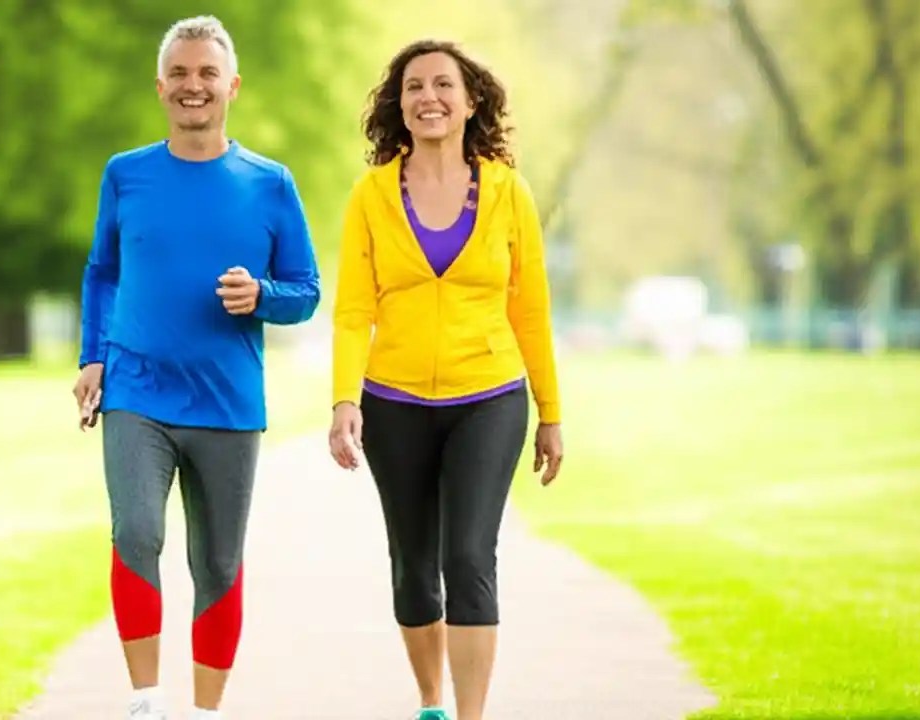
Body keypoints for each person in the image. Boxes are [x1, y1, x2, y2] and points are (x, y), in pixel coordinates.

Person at [72, 15, 321, 720]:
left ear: (231, 86)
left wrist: (262, 296)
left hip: (227, 402)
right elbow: (102, 272)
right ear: (160, 87)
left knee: (216, 564)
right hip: (136, 391)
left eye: (207, 73)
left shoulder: (270, 184)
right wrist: (93, 356)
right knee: (136, 534)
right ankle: (146, 702)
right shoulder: (126, 174)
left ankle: (206, 712)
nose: (193, 86)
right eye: (180, 74)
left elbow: (305, 291)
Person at [327, 39, 565, 720]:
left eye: (442, 85)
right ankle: (431, 701)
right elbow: (353, 310)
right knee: (412, 566)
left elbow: (532, 309)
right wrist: (345, 400)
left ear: (470, 101)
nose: (427, 97)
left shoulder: (507, 192)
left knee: (467, 557)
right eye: (412, 87)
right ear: (397, 106)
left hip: (488, 398)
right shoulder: (371, 194)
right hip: (393, 401)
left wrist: (549, 412)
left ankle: (470, 715)